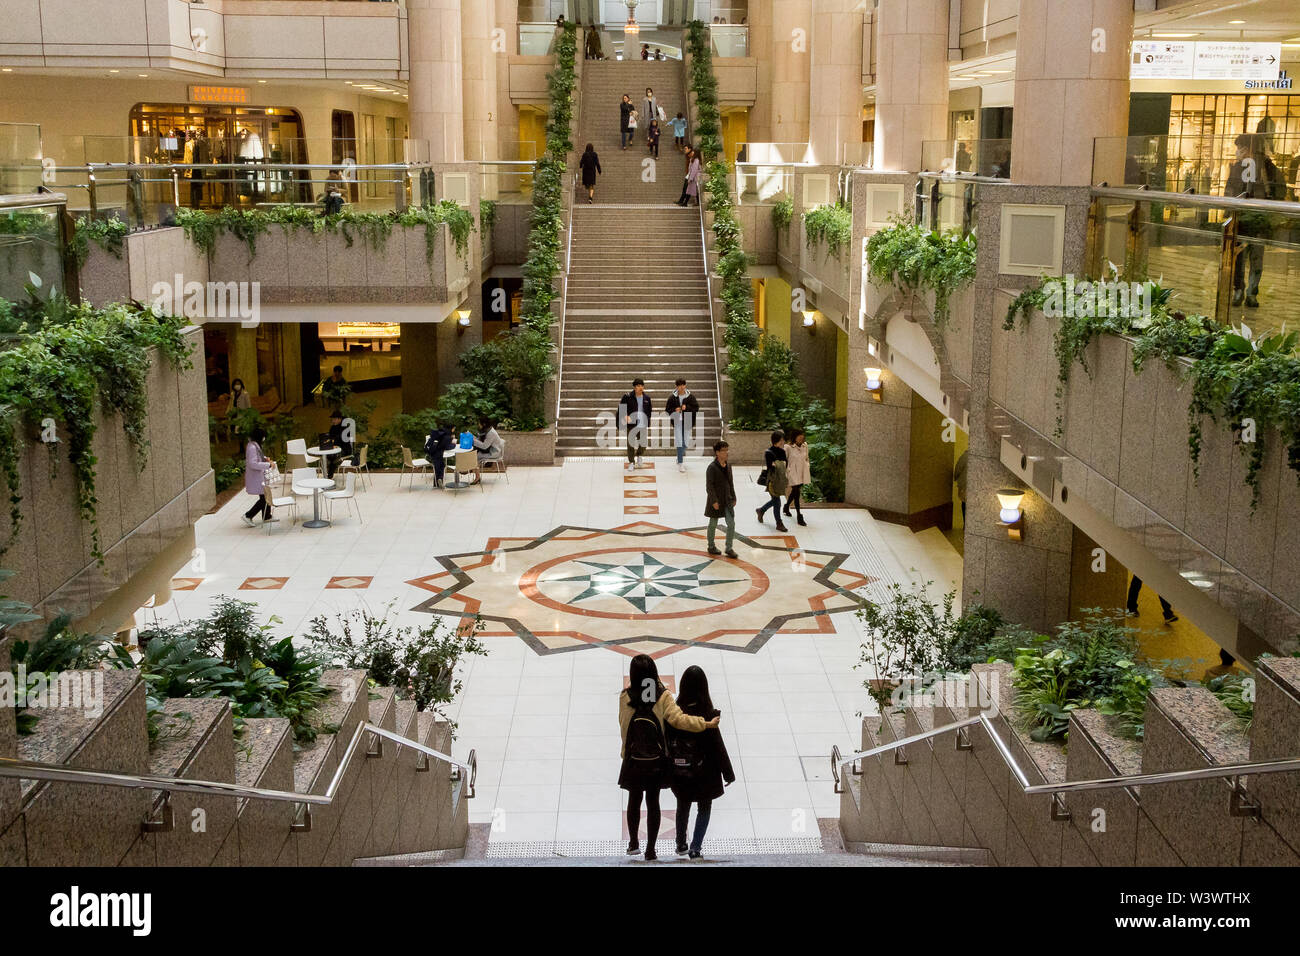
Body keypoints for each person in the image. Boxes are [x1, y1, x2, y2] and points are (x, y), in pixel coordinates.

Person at [618, 654, 718, 861]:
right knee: (653, 801)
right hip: (656, 760)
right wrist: (706, 724)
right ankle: (651, 850)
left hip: (633, 760)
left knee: (634, 799)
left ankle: (633, 844)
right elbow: (679, 720)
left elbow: (624, 727)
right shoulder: (663, 697)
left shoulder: (625, 697)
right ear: (653, 673)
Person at [668, 664, 734, 859]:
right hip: (706, 773)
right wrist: (728, 773)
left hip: (682, 770)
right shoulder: (708, 715)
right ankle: (696, 848)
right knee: (704, 808)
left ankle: (681, 844)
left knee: (683, 806)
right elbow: (718, 746)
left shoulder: (676, 713)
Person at [1226, 133, 1282, 308]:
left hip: (1257, 221)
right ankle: (1240, 290)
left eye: (1240, 147)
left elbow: (1278, 191)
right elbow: (1230, 191)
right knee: (1240, 258)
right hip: (1242, 220)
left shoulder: (1267, 168)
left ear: (1249, 148)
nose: (1238, 152)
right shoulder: (1239, 167)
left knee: (1255, 258)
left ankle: (1250, 292)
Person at [704, 440, 738, 558]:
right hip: (716, 500)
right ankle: (711, 545)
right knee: (713, 523)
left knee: (731, 523)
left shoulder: (728, 465)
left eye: (727, 450)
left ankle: (729, 548)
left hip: (727, 499)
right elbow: (709, 486)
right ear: (717, 452)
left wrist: (734, 496)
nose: (726, 453)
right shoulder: (712, 468)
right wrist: (714, 501)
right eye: (724, 450)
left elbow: (730, 482)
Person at [240, 425, 274, 527]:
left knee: (265, 494)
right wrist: (268, 465)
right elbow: (253, 463)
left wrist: (265, 458)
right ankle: (248, 515)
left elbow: (258, 456)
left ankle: (266, 515)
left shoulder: (254, 445)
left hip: (259, 476)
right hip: (256, 477)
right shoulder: (252, 447)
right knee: (264, 498)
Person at [755, 430, 789, 531]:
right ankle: (779, 523)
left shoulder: (782, 451)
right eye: (782, 440)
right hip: (772, 480)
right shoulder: (769, 452)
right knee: (777, 501)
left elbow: (784, 464)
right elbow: (771, 466)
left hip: (781, 479)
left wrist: (778, 463)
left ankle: (761, 510)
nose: (783, 442)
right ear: (776, 440)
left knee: (775, 500)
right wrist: (779, 464)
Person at [664, 378, 699, 471]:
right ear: (676, 386)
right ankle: (680, 462)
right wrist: (675, 410)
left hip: (688, 421)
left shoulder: (690, 397)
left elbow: (696, 408)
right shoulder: (672, 397)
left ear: (685, 385)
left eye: (683, 385)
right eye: (679, 385)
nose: (681, 387)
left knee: (686, 442)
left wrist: (686, 407)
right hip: (677, 422)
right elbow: (667, 410)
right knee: (679, 441)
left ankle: (679, 456)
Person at [620, 378, 653, 471]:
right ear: (634, 387)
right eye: (638, 386)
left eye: (642, 386)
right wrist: (625, 416)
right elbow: (622, 408)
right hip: (631, 424)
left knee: (643, 443)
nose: (640, 387)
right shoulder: (627, 396)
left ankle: (639, 455)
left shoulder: (647, 398)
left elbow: (649, 411)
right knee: (630, 444)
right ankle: (631, 462)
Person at [783, 428, 809, 527]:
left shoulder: (805, 446)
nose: (801, 438)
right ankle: (799, 515)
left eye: (802, 436)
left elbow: (806, 458)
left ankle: (786, 506)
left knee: (795, 492)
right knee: (797, 493)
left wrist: (807, 466)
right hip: (792, 473)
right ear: (794, 437)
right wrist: (786, 472)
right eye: (799, 436)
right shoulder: (788, 447)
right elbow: (784, 460)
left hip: (802, 473)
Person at [468, 419, 505, 485]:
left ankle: (476, 476)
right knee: (475, 455)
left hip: (494, 453)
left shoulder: (491, 433)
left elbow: (484, 446)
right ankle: (472, 471)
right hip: (490, 450)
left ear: (484, 424)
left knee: (475, 456)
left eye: (479, 423)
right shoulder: (487, 430)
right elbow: (480, 441)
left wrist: (473, 440)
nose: (478, 425)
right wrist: (471, 436)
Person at [323, 409, 353, 479]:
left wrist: (335, 442)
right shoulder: (333, 427)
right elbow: (330, 437)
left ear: (339, 419)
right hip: (334, 449)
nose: (332, 421)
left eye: (334, 419)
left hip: (345, 449)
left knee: (335, 458)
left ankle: (329, 476)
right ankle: (328, 474)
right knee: (327, 456)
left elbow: (343, 440)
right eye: (332, 419)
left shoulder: (346, 427)